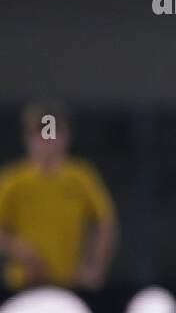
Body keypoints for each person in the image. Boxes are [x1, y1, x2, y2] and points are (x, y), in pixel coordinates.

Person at [0, 102, 117, 292]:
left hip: (69, 284)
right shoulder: (13, 182)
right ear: (28, 139)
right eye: (41, 136)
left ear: (64, 137)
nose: (47, 142)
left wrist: (95, 268)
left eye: (52, 135)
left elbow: (105, 222)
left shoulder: (79, 178)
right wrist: (19, 249)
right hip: (24, 284)